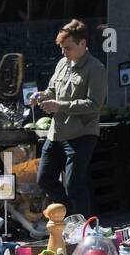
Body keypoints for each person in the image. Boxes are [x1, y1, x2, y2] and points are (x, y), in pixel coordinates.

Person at [32, 19, 107, 217]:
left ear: (83, 43)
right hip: (57, 132)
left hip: (82, 133)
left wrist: (60, 106)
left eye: (68, 48)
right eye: (62, 48)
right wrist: (40, 96)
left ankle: (85, 229)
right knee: (44, 179)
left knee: (75, 184)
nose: (64, 52)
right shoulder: (62, 64)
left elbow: (94, 105)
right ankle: (70, 215)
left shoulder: (96, 68)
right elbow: (51, 90)